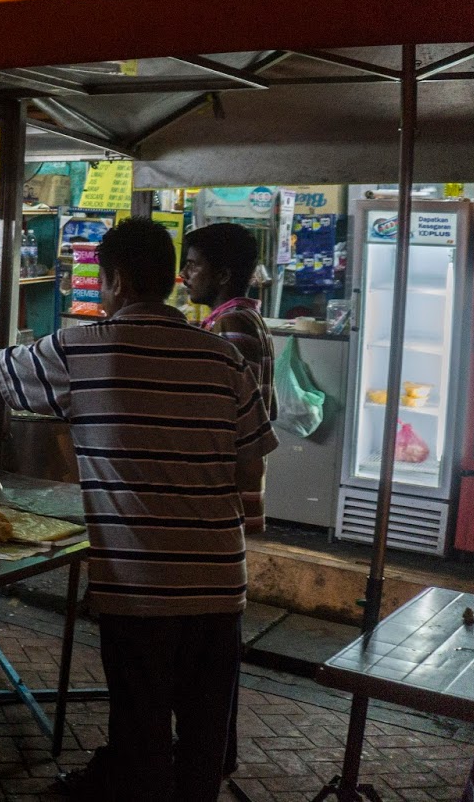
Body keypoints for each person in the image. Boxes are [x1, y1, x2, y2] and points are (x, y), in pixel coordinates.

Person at [0, 219, 275, 802]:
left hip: (141, 586)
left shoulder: (87, 348)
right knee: (205, 740)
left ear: (115, 280)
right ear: (165, 280)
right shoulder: (224, 358)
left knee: (144, 732)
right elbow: (249, 467)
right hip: (221, 583)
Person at [180, 222, 280, 785]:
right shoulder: (237, 318)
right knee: (210, 648)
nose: (185, 275)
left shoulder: (235, 324)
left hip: (221, 502)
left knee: (207, 651)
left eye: (192, 266)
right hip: (227, 500)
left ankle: (210, 756)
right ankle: (215, 752)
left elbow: (226, 417)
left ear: (219, 273)